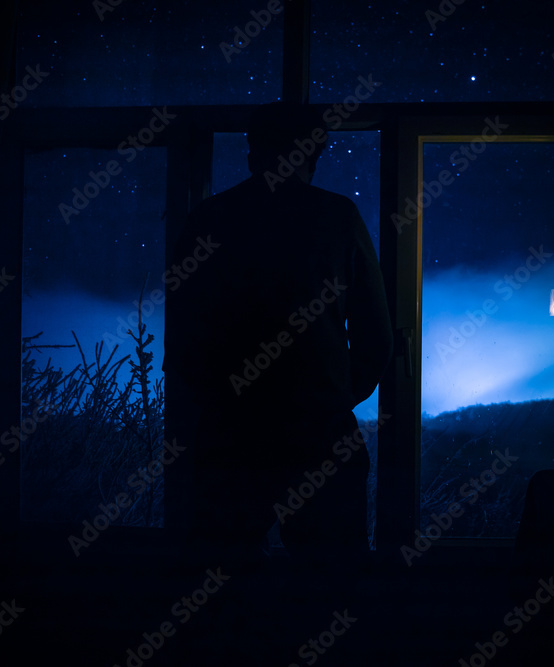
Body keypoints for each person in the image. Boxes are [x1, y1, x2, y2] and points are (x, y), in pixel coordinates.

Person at [163, 102, 393, 576]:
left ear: (253, 152)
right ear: (315, 154)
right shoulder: (337, 217)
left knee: (221, 575)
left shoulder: (211, 218)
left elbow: (183, 332)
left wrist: (214, 400)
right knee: (333, 576)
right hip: (317, 428)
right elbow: (375, 332)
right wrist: (336, 394)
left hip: (230, 431)